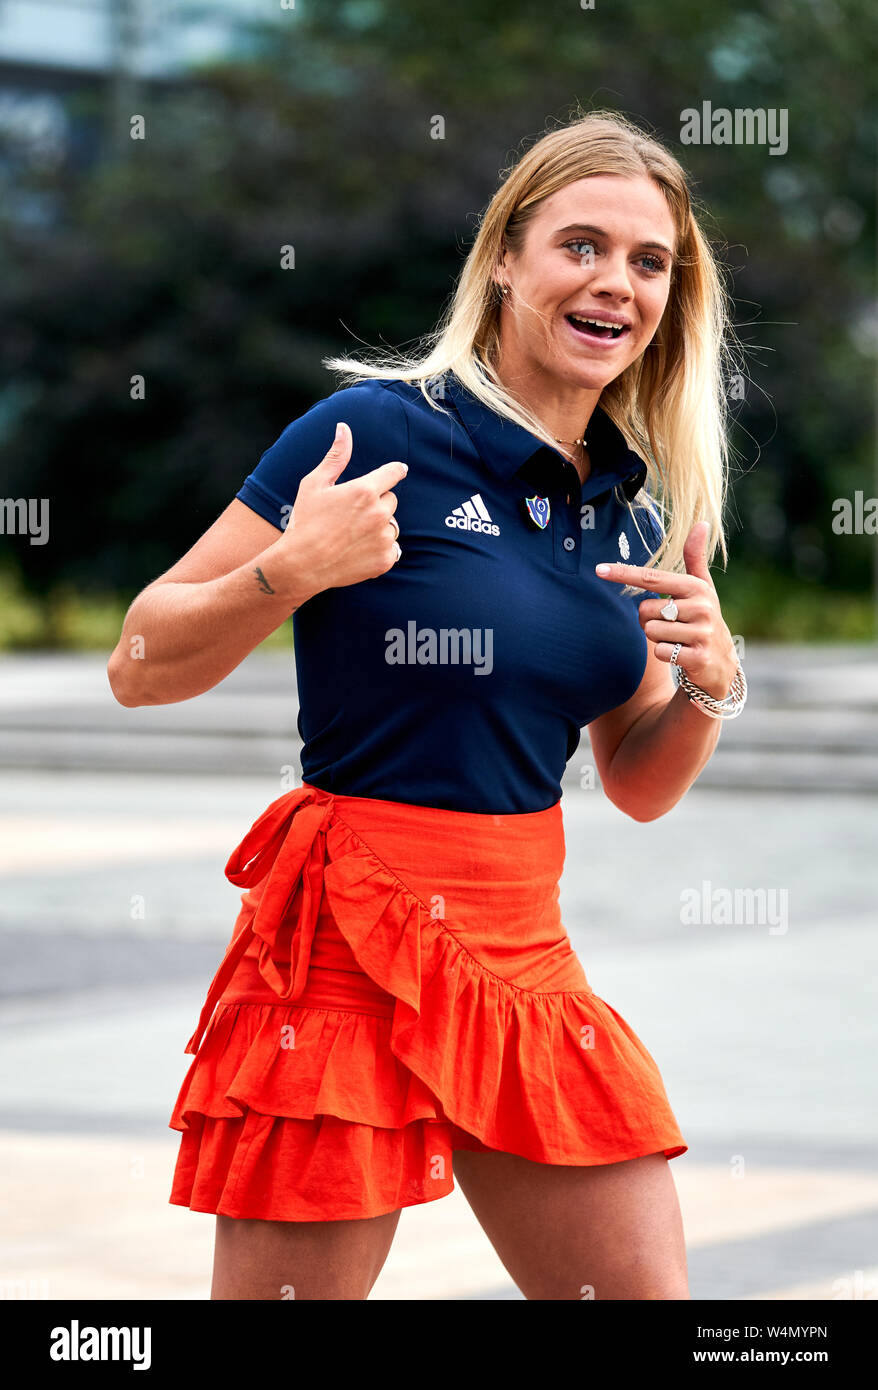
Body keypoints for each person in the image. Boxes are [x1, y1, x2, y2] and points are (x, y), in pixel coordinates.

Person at [108, 109, 746, 1301]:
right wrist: (287, 572)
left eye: (647, 261)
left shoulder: (624, 503)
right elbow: (139, 661)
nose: (615, 282)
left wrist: (711, 683)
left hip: (522, 948)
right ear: (503, 257)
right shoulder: (374, 431)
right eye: (579, 246)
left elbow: (639, 784)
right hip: (348, 938)